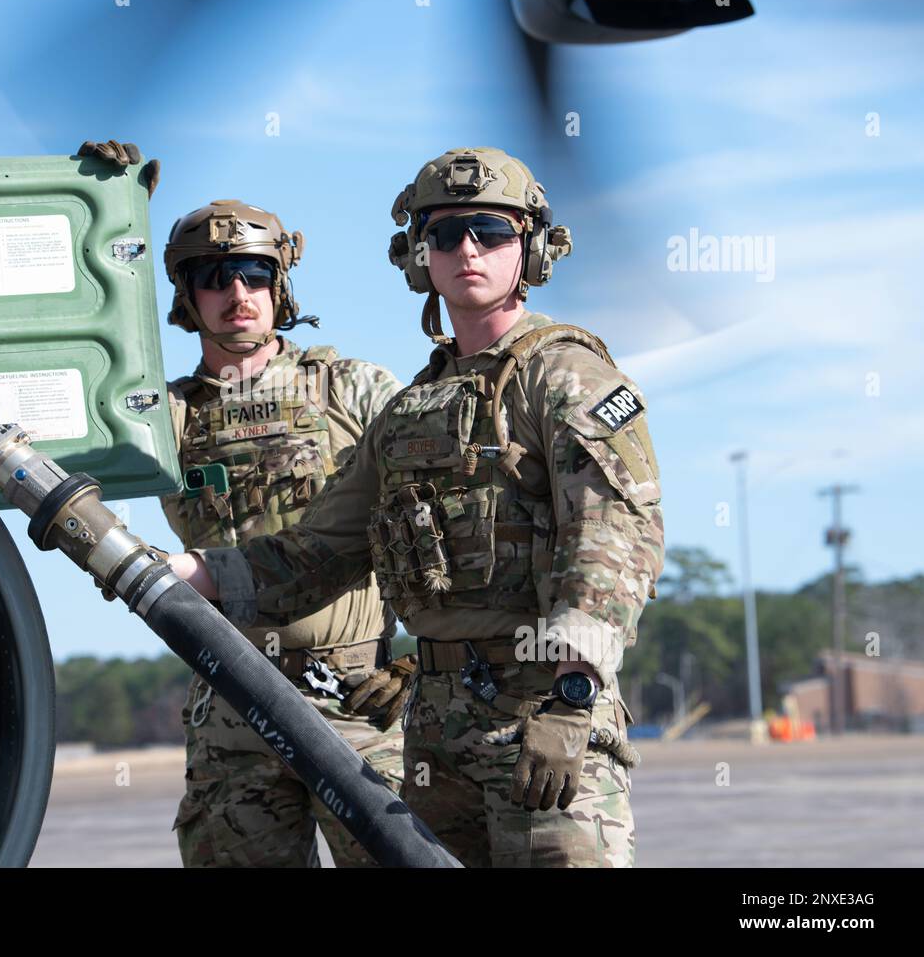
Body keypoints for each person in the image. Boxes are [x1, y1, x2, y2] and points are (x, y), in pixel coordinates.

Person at [169, 151, 664, 868]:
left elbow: (615, 534)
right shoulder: (406, 413)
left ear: (531, 246)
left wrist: (574, 693)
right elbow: (319, 551)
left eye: (491, 230)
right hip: (435, 736)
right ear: (416, 256)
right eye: (446, 233)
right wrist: (180, 573)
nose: (468, 248)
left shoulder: (564, 374)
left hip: (545, 716)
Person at [159, 199, 408, 867]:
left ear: (281, 283)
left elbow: (442, 513)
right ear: (186, 295)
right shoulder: (159, 418)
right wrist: (101, 207)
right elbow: (54, 419)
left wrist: (430, 660)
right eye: (213, 276)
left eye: (254, 272)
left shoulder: (354, 389)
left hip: (356, 699)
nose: (237, 293)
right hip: (230, 700)